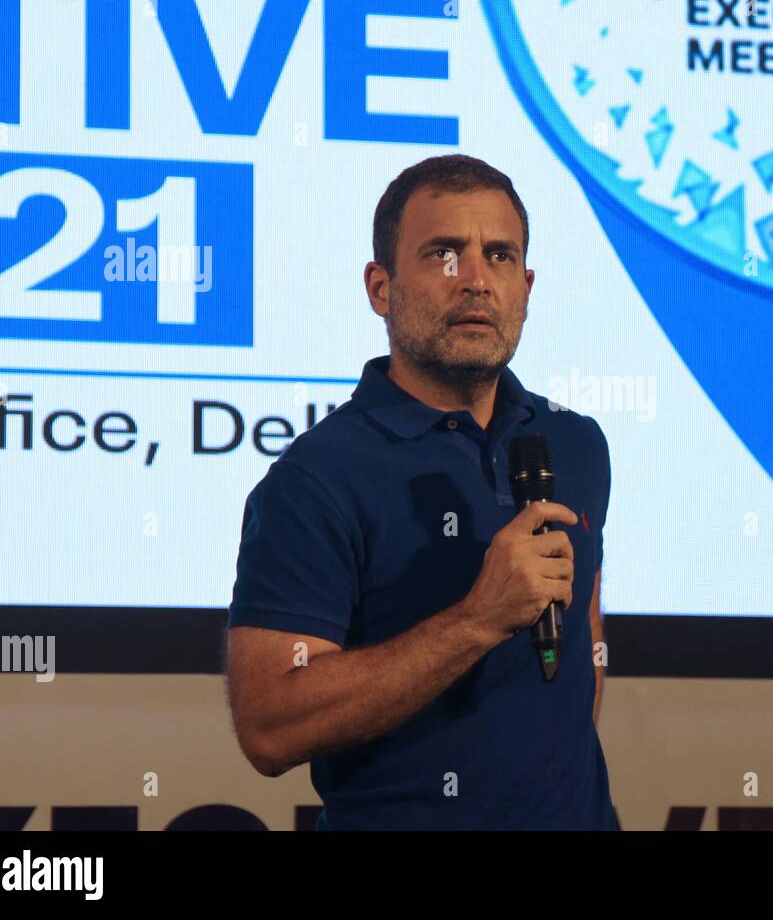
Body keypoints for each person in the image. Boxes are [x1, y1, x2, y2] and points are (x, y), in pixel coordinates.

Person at [225, 154, 617, 830]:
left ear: (525, 287)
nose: (474, 282)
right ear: (380, 288)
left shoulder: (574, 444)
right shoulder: (315, 477)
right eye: (443, 254)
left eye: (499, 257)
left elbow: (579, 650)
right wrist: (476, 621)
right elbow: (268, 729)